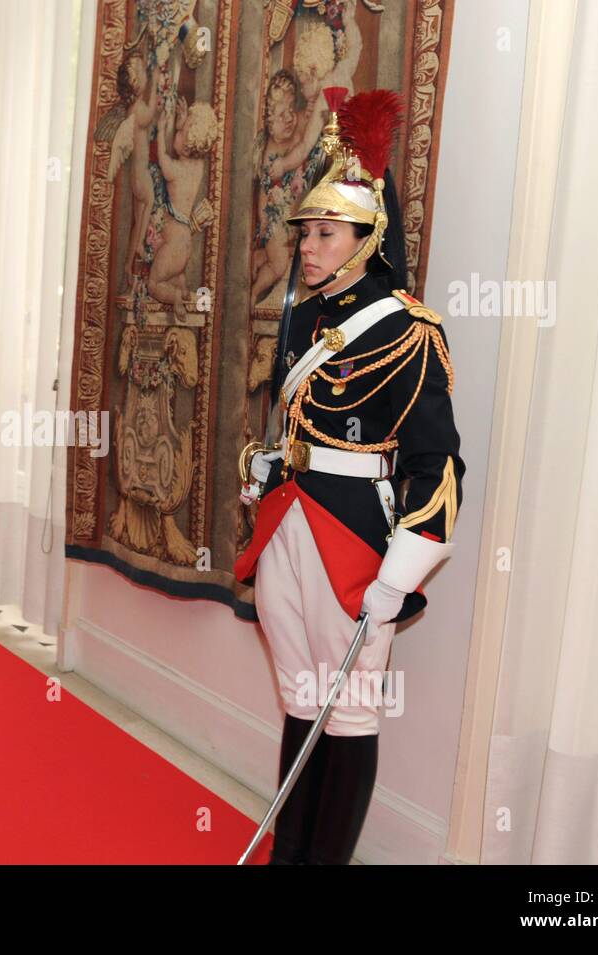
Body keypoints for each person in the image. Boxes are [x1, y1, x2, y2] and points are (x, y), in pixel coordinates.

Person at [234, 89, 465, 864]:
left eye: (326, 233)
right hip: (289, 524)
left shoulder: (407, 328)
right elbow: (297, 423)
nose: (307, 246)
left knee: (351, 710)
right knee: (303, 702)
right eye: (305, 232)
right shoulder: (302, 318)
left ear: (367, 238)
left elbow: (439, 464)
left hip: (355, 542)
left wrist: (399, 576)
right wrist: (267, 473)